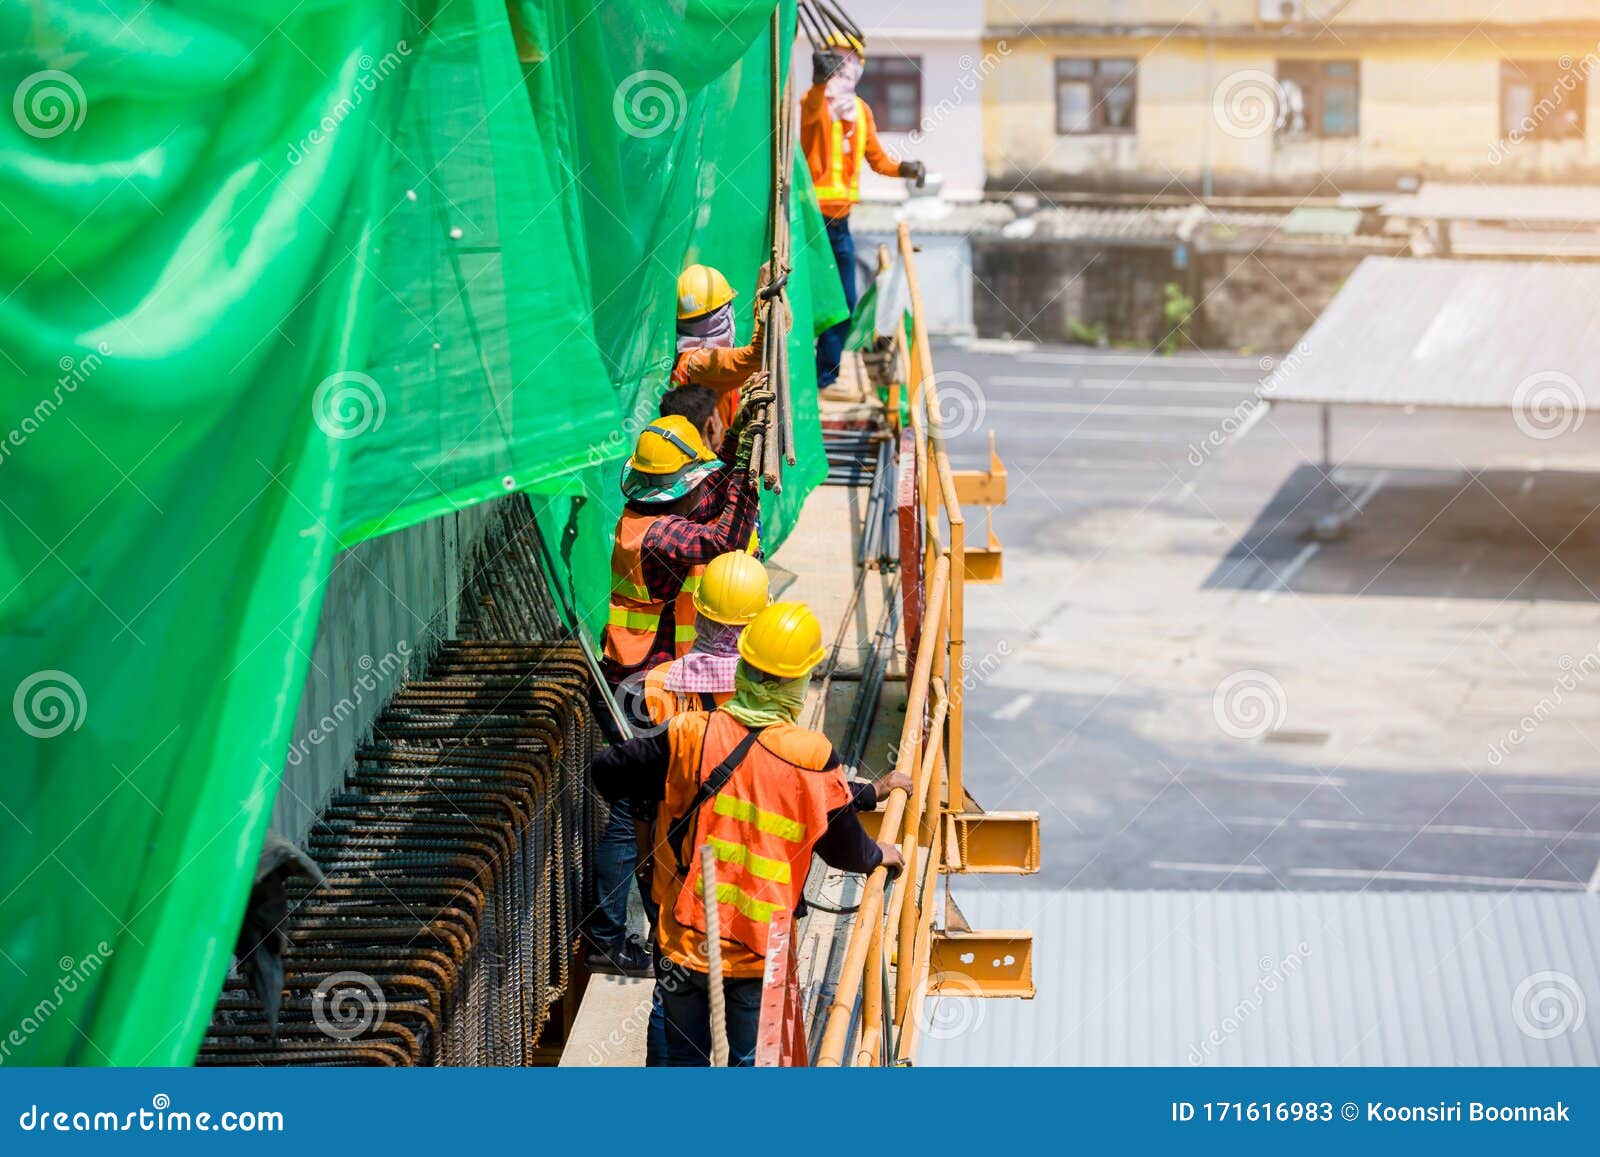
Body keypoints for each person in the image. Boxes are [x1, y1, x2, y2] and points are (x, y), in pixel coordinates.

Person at [592, 601, 906, 1065]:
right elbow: (845, 847)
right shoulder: (813, 754)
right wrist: (881, 854)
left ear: (745, 669)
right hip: (759, 948)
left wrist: (657, 803)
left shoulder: (691, 733)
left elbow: (608, 773)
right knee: (748, 1063)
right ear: (799, 682)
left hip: (684, 935)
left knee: (683, 1058)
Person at [586, 401, 767, 977]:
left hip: (643, 679)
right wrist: (743, 476)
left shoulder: (648, 511)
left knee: (650, 805)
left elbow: (708, 504)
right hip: (640, 691)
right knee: (630, 813)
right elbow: (723, 540)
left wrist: (737, 445)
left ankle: (653, 915)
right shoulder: (658, 534)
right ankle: (610, 936)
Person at [801, 34, 924, 392]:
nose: (841, 68)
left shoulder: (860, 111)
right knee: (810, 295)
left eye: (847, 61)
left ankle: (825, 375)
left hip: (840, 220)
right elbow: (809, 110)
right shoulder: (815, 103)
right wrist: (818, 83)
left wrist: (905, 169)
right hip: (810, 217)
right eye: (834, 61)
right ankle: (805, 369)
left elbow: (878, 160)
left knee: (843, 301)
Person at [671, 264, 771, 441]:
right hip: (711, 462)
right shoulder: (701, 362)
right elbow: (759, 355)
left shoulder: (689, 356)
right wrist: (763, 296)